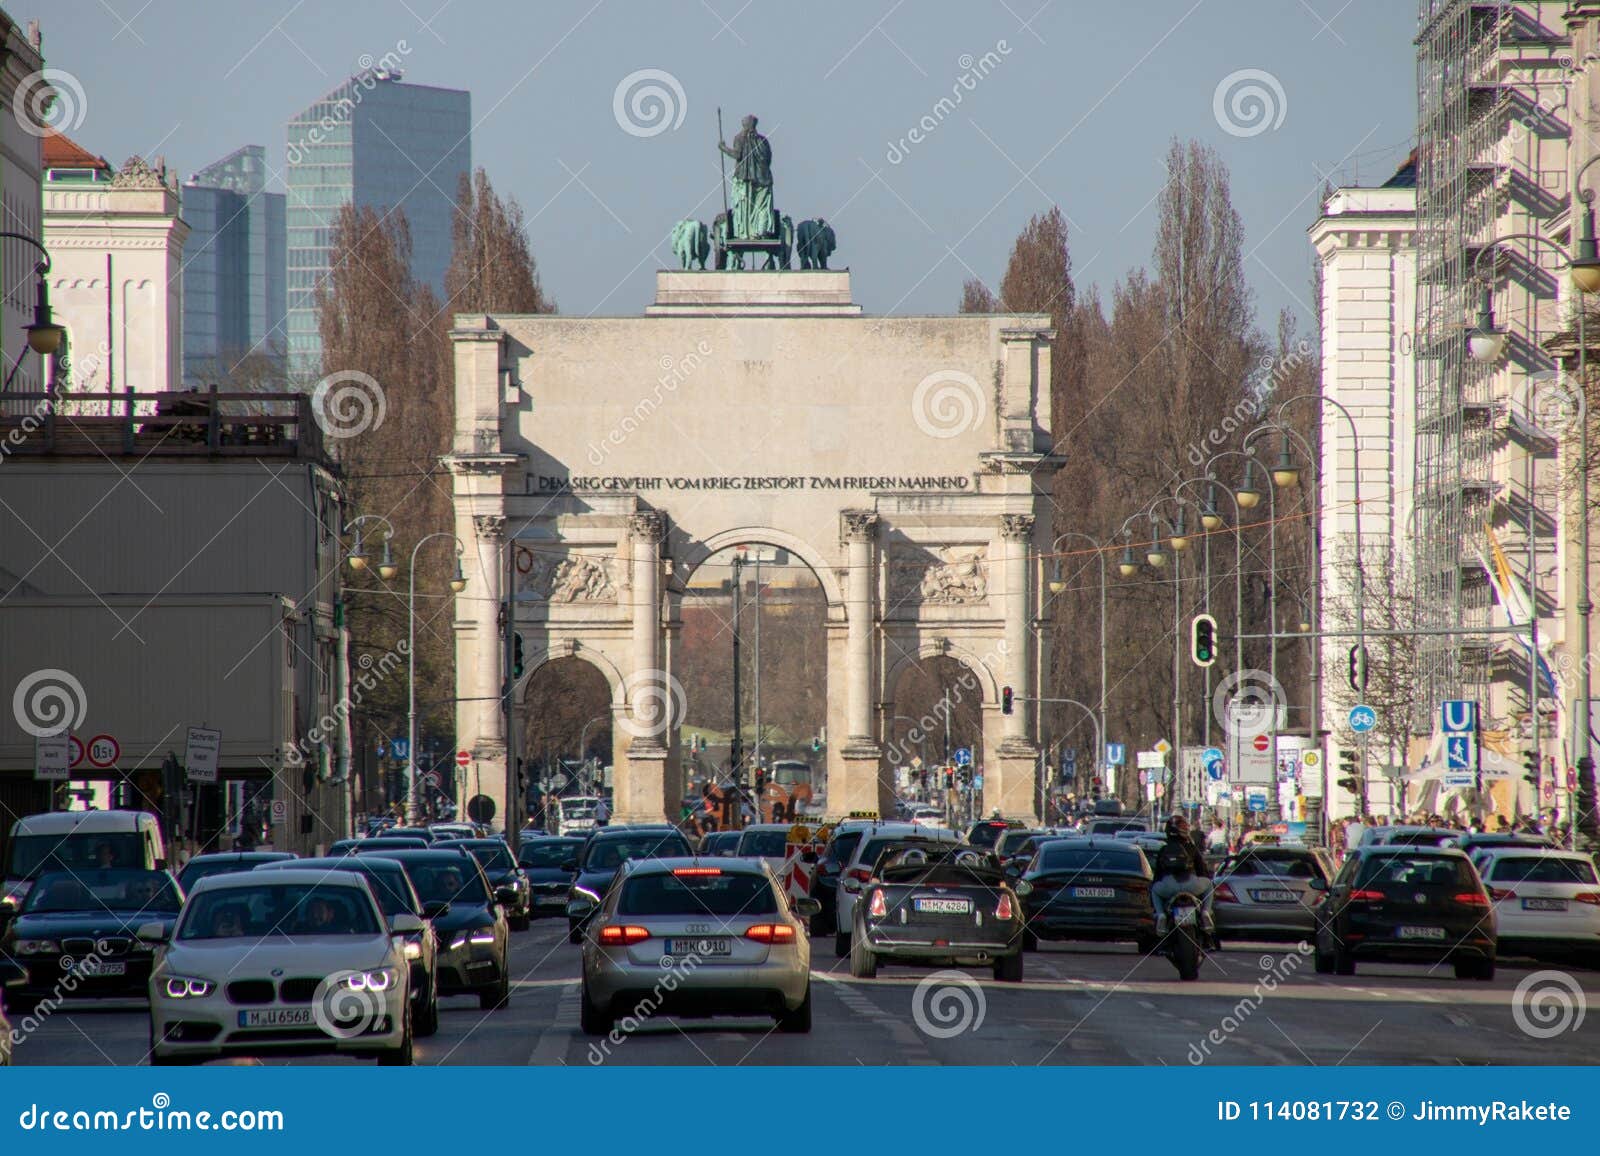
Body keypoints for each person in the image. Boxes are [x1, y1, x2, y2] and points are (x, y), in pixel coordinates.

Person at [1150, 814, 1213, 938]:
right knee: (1209, 885)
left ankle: (1160, 914)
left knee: (1154, 890)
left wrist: (1156, 884)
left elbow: (1158, 874)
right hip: (1191, 884)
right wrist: (1204, 878)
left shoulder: (1164, 849)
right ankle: (1206, 911)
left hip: (1169, 887)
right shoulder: (1192, 848)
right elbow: (1202, 871)